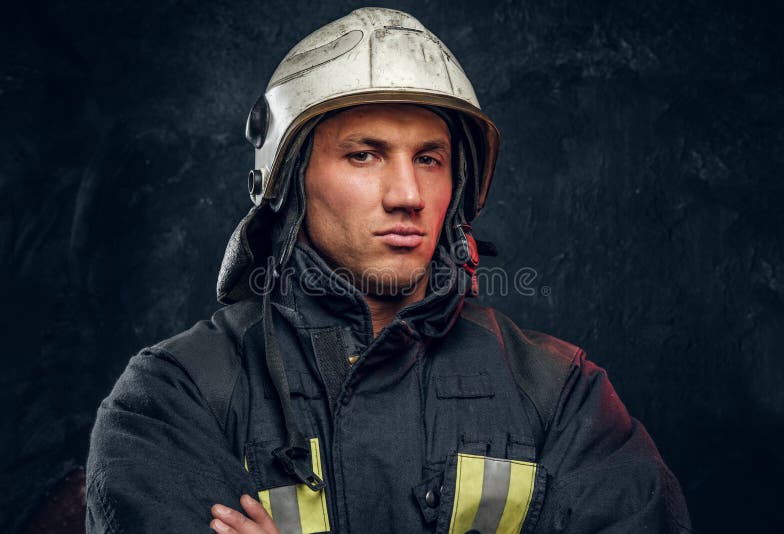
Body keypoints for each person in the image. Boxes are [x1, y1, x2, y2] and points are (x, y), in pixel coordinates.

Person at [86, 7, 691, 534]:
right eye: (364, 154)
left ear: (458, 188)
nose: (408, 194)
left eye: (429, 158)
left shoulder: (566, 398)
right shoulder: (172, 398)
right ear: (289, 182)